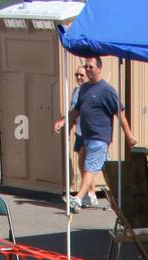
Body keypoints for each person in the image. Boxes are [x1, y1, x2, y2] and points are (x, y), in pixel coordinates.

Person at [53, 55, 136, 211]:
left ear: (99, 68)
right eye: (87, 67)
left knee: (89, 166)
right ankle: (119, 198)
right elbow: (75, 112)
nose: (88, 70)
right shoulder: (84, 89)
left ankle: (79, 198)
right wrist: (65, 123)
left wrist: (129, 135)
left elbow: (121, 114)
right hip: (87, 137)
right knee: (103, 168)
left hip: (99, 137)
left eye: (91, 67)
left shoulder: (107, 91)